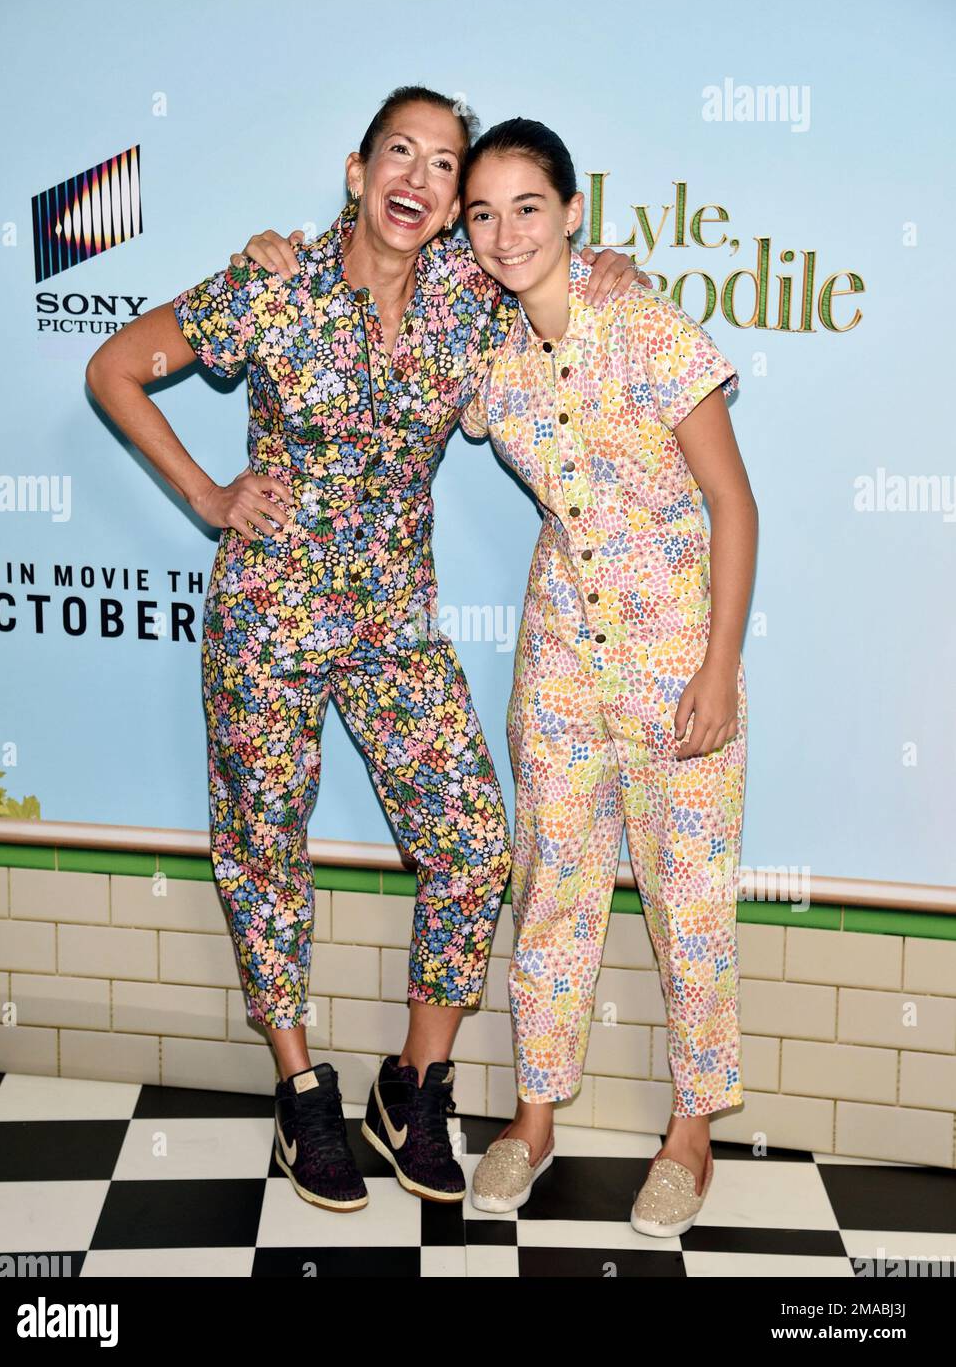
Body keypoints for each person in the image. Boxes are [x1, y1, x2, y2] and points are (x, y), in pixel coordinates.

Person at [84, 86, 642, 1215]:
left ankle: (413, 1082)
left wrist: (609, 269)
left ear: (453, 200)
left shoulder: (466, 293)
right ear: (356, 170)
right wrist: (207, 496)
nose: (417, 179)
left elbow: (549, 272)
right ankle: (300, 1089)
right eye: (400, 152)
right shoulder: (275, 282)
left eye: (443, 166)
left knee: (471, 842)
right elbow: (114, 368)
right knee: (262, 847)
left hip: (394, 624)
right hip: (268, 617)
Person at [453, 118, 757, 1236]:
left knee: (690, 905)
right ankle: (533, 1119)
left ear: (573, 211)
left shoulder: (645, 324)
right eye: (482, 215)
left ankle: (690, 1135)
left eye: (527, 207)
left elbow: (733, 503)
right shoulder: (485, 351)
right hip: (558, 668)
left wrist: (718, 667)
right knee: (552, 891)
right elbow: (388, 273)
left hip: (676, 660)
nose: (505, 234)